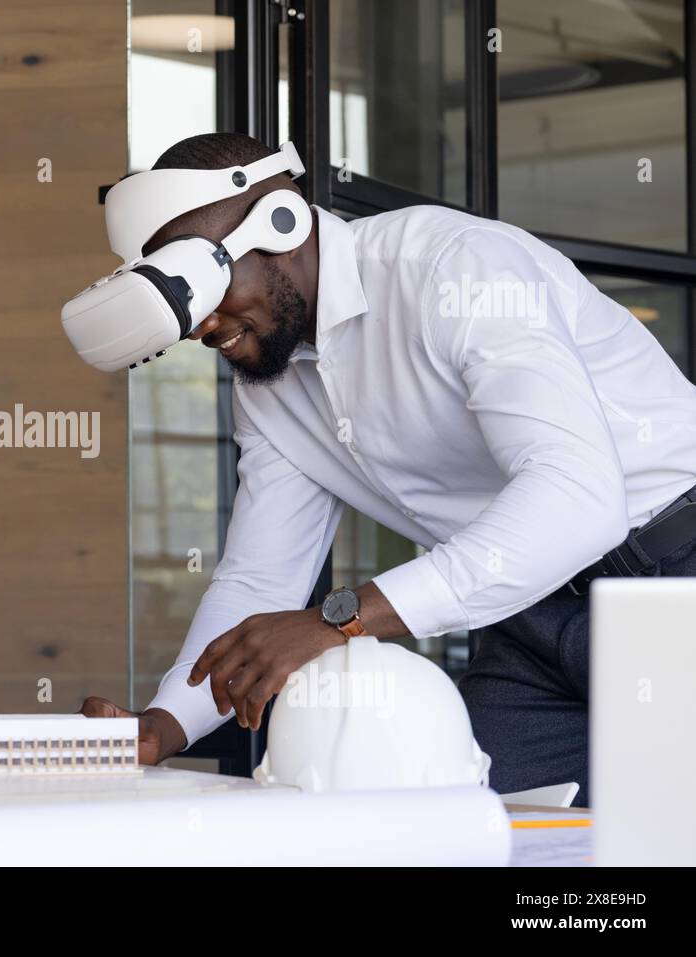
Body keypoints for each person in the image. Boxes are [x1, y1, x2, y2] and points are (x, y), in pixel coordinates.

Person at [80, 133, 696, 806]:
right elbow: (261, 576)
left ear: (282, 222)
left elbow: (577, 498)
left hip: (671, 577)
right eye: (188, 310)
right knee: (471, 826)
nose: (204, 327)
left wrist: (338, 619)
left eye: (210, 289)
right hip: (528, 619)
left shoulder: (452, 269)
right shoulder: (268, 382)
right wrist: (164, 725)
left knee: (667, 834)